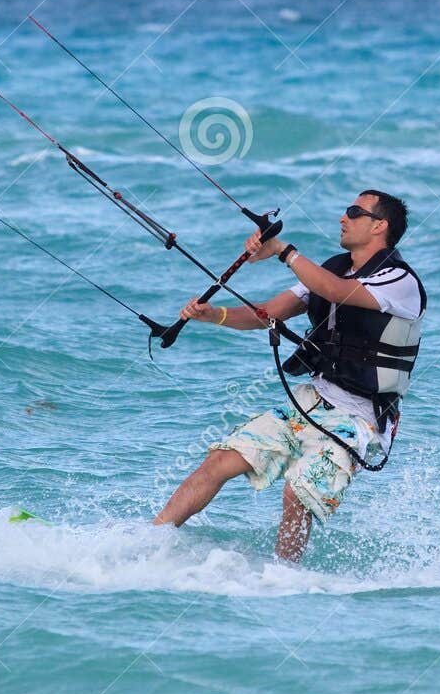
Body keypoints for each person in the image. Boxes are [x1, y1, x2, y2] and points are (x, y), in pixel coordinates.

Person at [152, 190, 426, 561]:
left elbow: (338, 293)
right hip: (312, 399)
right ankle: (149, 542)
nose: (342, 218)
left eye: (353, 212)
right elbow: (266, 314)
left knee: (297, 492)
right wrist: (214, 315)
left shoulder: (399, 281)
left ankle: (283, 576)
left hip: (362, 418)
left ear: (380, 226)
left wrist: (283, 251)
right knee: (219, 460)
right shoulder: (332, 268)